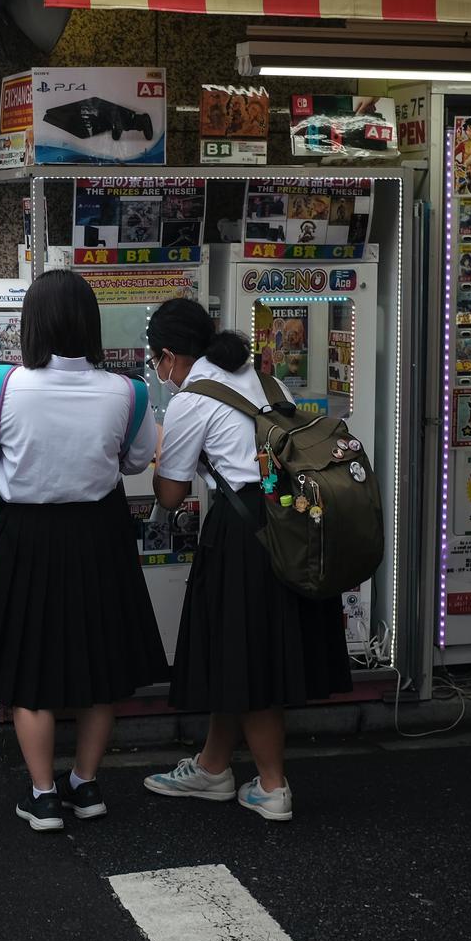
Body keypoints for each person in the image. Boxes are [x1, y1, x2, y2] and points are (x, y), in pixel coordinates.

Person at [0, 271, 167, 832]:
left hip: (27, 536)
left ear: (32, 324)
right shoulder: (128, 390)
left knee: (30, 665)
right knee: (101, 662)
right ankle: (87, 783)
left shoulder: (2, 384)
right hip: (100, 536)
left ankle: (44, 793)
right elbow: (134, 459)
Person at [142, 298, 352, 823]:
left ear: (169, 356)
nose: (157, 371)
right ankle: (214, 767)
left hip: (245, 531)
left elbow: (170, 494)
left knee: (251, 653)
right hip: (292, 520)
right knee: (237, 651)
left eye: (156, 361)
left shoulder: (194, 398)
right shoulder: (262, 379)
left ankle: (273, 784)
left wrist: (159, 450)